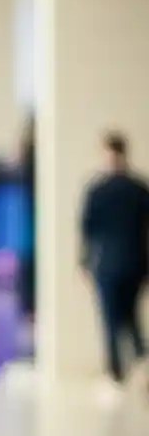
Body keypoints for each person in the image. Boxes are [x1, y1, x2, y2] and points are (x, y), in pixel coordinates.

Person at [80, 131, 149, 386]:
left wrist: (85, 262)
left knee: (111, 319)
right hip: (135, 263)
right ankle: (140, 363)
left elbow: (87, 230)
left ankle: (115, 374)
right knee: (131, 318)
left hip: (109, 264)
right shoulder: (139, 189)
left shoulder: (98, 190)